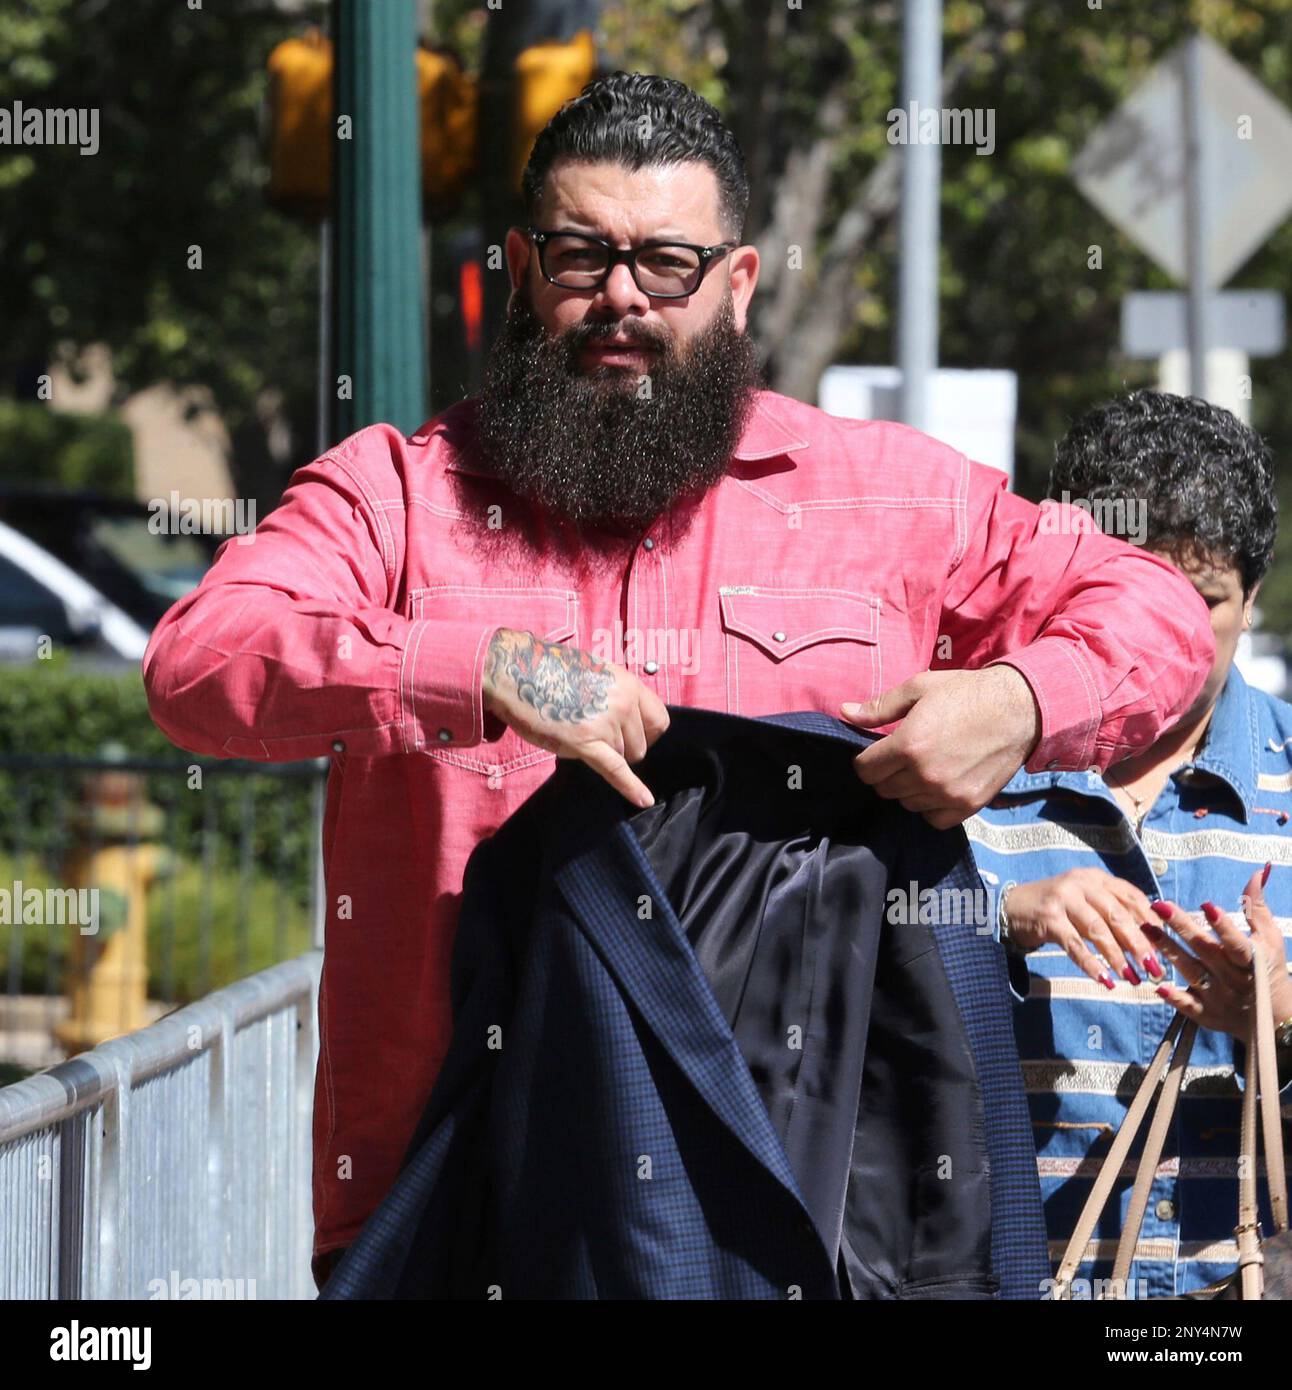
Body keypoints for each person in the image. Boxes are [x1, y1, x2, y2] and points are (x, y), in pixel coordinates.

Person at [142, 73, 1213, 1291]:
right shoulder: (392, 495)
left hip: (796, 1212)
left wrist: (1016, 704)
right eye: (578, 255)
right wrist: (481, 665)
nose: (619, 299)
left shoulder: (895, 501)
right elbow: (200, 658)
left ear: (737, 282)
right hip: (453, 1209)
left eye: (665, 264)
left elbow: (1159, 613)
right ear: (515, 266)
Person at [965, 390, 1292, 1297]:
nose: (1172, 637)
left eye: (1207, 600)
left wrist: (1277, 1012)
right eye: (1136, 596)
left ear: (1253, 599)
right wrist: (1000, 921)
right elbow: (834, 1004)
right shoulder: (961, 767)